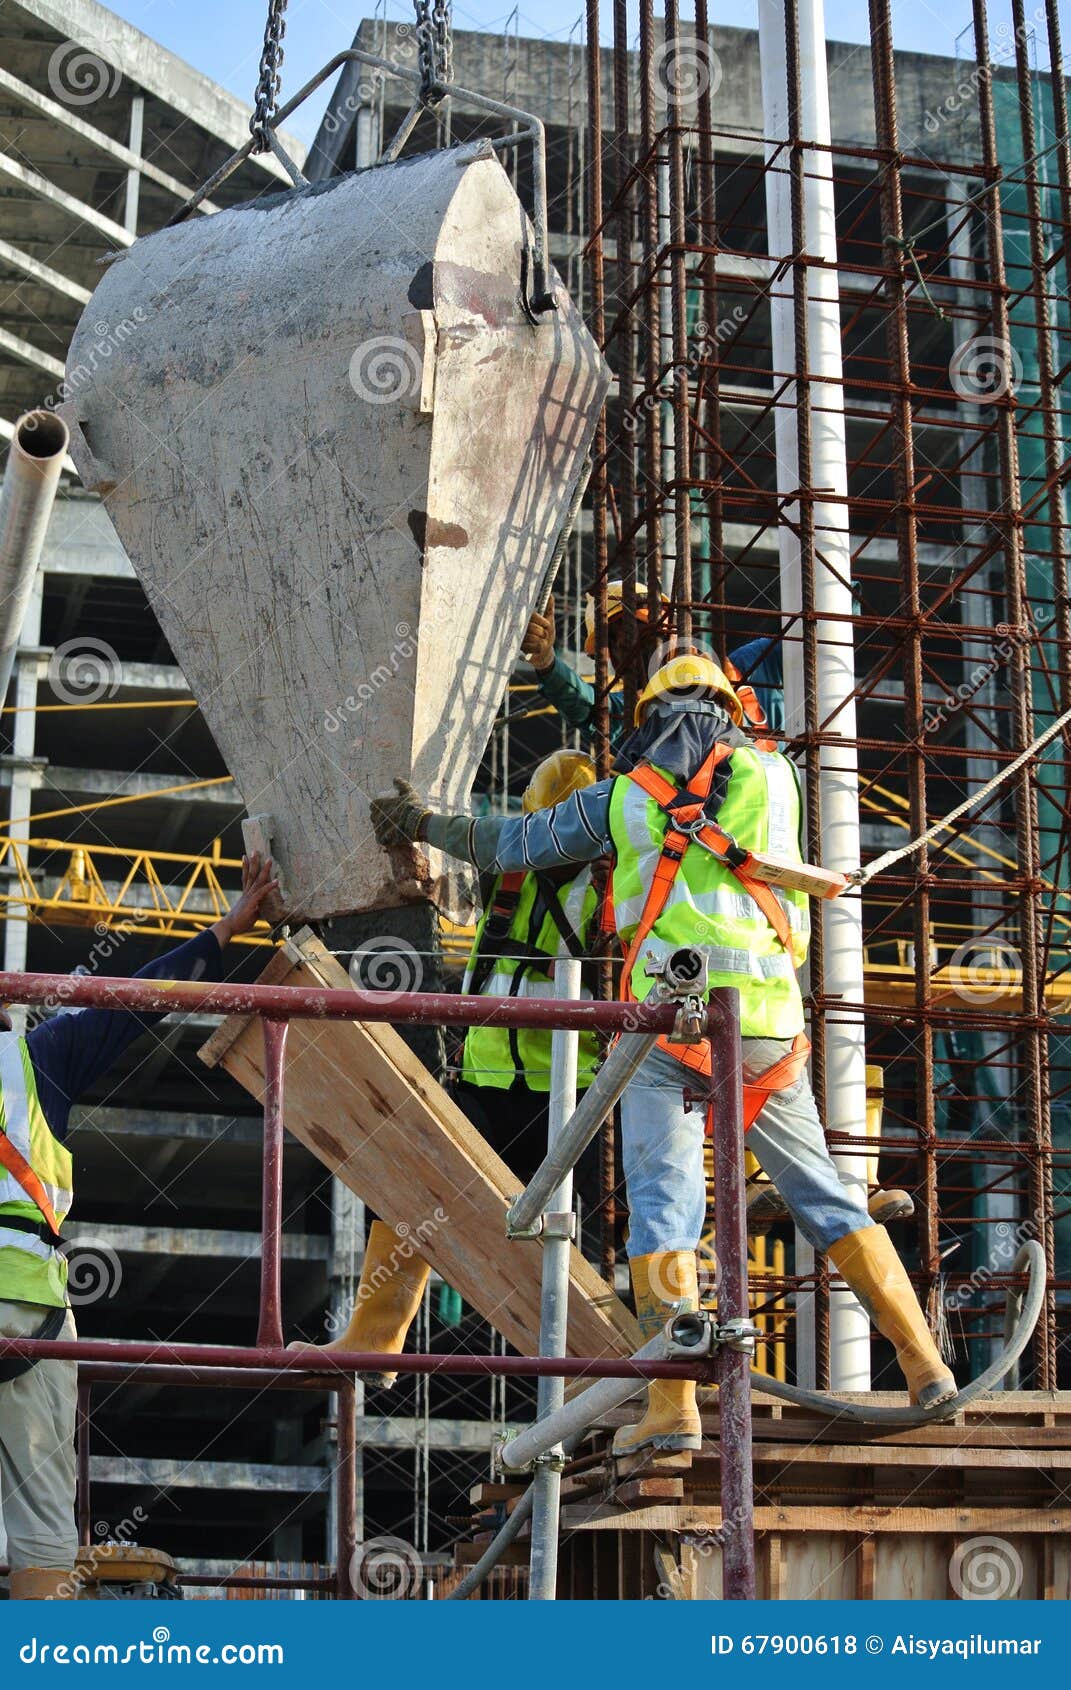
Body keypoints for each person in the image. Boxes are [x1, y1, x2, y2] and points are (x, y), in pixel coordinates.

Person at [370, 655, 956, 1457]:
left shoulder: (620, 798)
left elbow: (508, 844)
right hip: (765, 1025)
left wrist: (419, 822)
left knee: (664, 1214)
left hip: (670, 1027)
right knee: (824, 1197)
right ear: (732, 711)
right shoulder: (777, 775)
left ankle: (672, 1409)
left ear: (645, 719)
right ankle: (924, 1366)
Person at [0, 855, 279, 1599]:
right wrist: (227, 928)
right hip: (24, 1307)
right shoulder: (38, 1058)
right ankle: (36, 1648)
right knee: (40, 1519)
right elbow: (143, 996)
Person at [288, 751, 606, 1381]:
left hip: (571, 1096)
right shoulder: (510, 875)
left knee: (568, 1241)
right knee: (411, 1178)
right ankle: (374, 1341)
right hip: (489, 1084)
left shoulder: (610, 890)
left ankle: (594, 1375)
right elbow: (457, 877)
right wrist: (413, 860)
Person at [521, 582, 785, 744]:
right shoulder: (636, 714)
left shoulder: (752, 665)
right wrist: (547, 663)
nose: (630, 650)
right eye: (617, 643)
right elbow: (589, 709)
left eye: (643, 633)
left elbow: (803, 640)